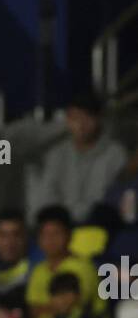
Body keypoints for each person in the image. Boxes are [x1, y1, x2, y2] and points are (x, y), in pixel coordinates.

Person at [28, 92, 128, 225]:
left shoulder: (116, 154)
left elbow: (113, 202)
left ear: (98, 119)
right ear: (67, 120)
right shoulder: (57, 154)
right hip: (62, 228)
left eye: (87, 117)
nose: (81, 124)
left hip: (101, 227)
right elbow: (47, 197)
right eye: (75, 118)